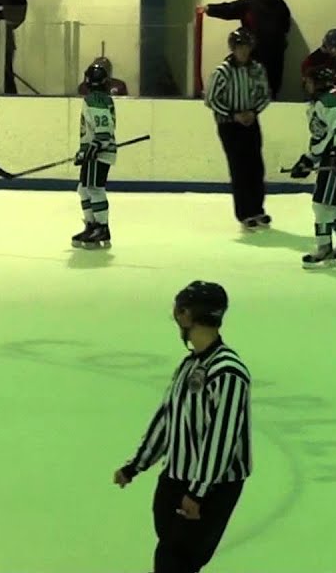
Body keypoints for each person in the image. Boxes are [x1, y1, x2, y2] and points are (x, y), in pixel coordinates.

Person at [114, 281, 252, 573]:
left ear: (187, 315)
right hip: (175, 478)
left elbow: (222, 439)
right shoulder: (190, 365)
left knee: (175, 562)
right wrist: (136, 466)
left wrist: (198, 492)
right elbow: (168, 418)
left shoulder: (227, 372)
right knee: (171, 556)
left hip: (210, 488)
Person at [290, 67, 336, 268]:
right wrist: (307, 161)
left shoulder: (332, 100)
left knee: (321, 204)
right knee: (334, 203)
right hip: (332, 156)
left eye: (310, 81)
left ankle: (324, 248)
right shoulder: (317, 104)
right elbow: (321, 138)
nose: (306, 85)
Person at [206, 28, 272, 230]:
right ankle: (244, 213)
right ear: (233, 48)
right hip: (229, 125)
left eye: (246, 47)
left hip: (251, 122)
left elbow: (265, 94)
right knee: (239, 168)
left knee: (256, 166)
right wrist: (233, 114)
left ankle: (257, 209)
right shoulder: (222, 71)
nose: (244, 51)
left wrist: (253, 112)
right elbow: (211, 99)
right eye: (240, 47)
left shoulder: (257, 69)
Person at [205, 0, 292, 99]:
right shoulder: (249, 3)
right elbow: (229, 9)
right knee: (252, 83)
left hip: (275, 53)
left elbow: (286, 25)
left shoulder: (279, 3)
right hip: (254, 52)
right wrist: (209, 9)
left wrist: (280, 41)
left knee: (273, 85)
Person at [71, 62, 118, 249]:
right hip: (94, 152)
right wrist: (83, 151)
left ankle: (102, 227)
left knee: (94, 189)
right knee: (84, 189)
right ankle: (92, 226)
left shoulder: (96, 100)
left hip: (99, 153)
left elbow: (104, 130)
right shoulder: (97, 98)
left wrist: (93, 147)